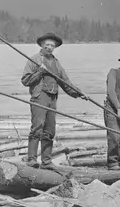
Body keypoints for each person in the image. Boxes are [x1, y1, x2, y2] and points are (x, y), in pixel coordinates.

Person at [20, 32, 82, 168]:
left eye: (52, 45)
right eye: (47, 45)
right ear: (42, 45)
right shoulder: (34, 60)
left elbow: (65, 82)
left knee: (49, 130)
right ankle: (31, 160)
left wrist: (78, 93)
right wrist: (40, 72)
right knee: (37, 128)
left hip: (52, 98)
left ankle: (46, 161)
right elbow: (25, 80)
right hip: (39, 97)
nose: (49, 47)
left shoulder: (56, 63)